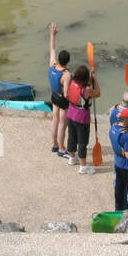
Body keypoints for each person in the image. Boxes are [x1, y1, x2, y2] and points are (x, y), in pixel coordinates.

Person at [65, 64, 99, 173]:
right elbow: (98, 93)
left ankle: (72, 157)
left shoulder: (72, 82)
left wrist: (90, 76)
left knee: (71, 137)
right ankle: (83, 166)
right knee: (82, 142)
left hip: (70, 113)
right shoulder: (87, 89)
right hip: (82, 117)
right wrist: (95, 79)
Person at [47, 24, 71, 158]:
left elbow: (52, 49)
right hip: (62, 100)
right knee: (62, 124)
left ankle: (54, 144)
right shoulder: (66, 74)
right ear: (68, 61)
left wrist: (52, 35)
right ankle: (62, 148)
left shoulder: (52, 65)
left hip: (54, 96)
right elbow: (67, 93)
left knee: (54, 120)